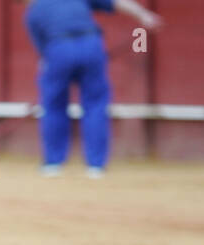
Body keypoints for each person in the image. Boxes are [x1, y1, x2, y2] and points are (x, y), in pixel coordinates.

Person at [24, 0, 162, 177]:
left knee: (53, 105)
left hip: (58, 48)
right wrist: (145, 15)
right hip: (91, 44)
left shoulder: (34, 12)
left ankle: (53, 163)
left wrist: (48, 65)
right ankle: (95, 166)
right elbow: (117, 2)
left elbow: (42, 54)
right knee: (95, 105)